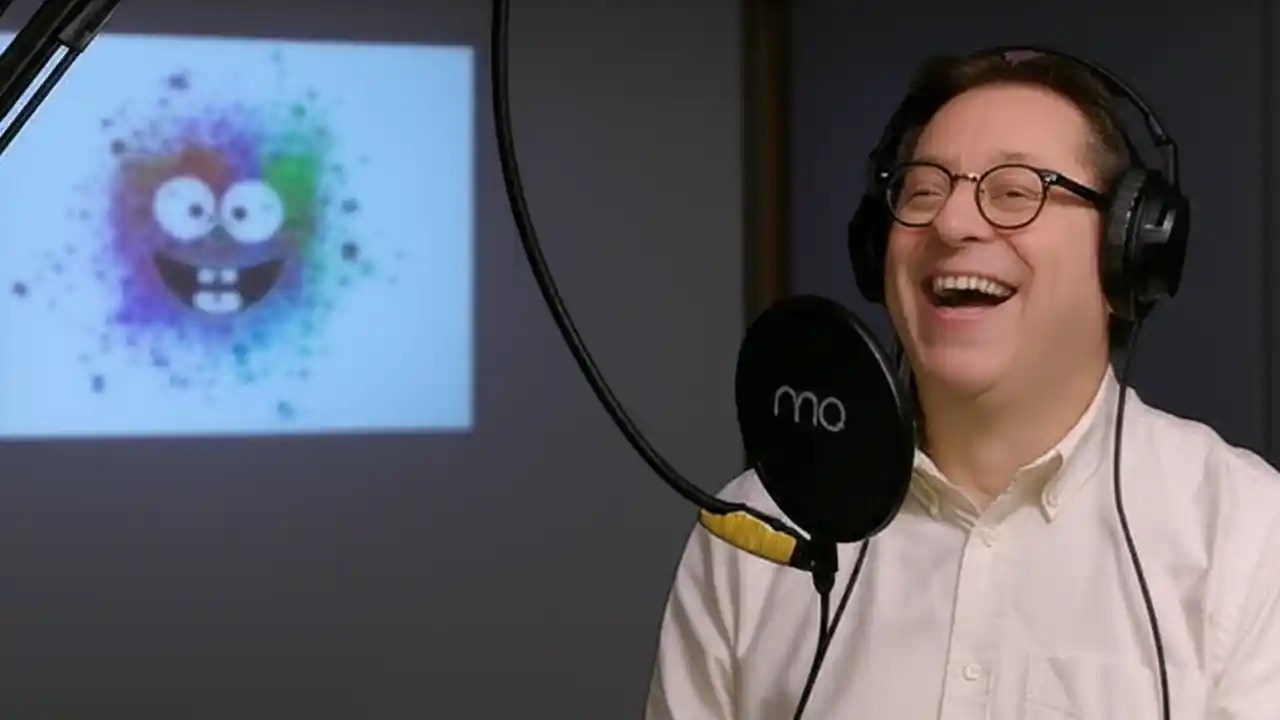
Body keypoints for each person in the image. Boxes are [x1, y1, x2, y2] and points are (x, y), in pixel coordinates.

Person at [643, 48, 1280, 719]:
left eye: (1014, 192)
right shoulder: (759, 531)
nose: (951, 224)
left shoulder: (1246, 534)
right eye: (922, 190)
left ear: (1127, 251)